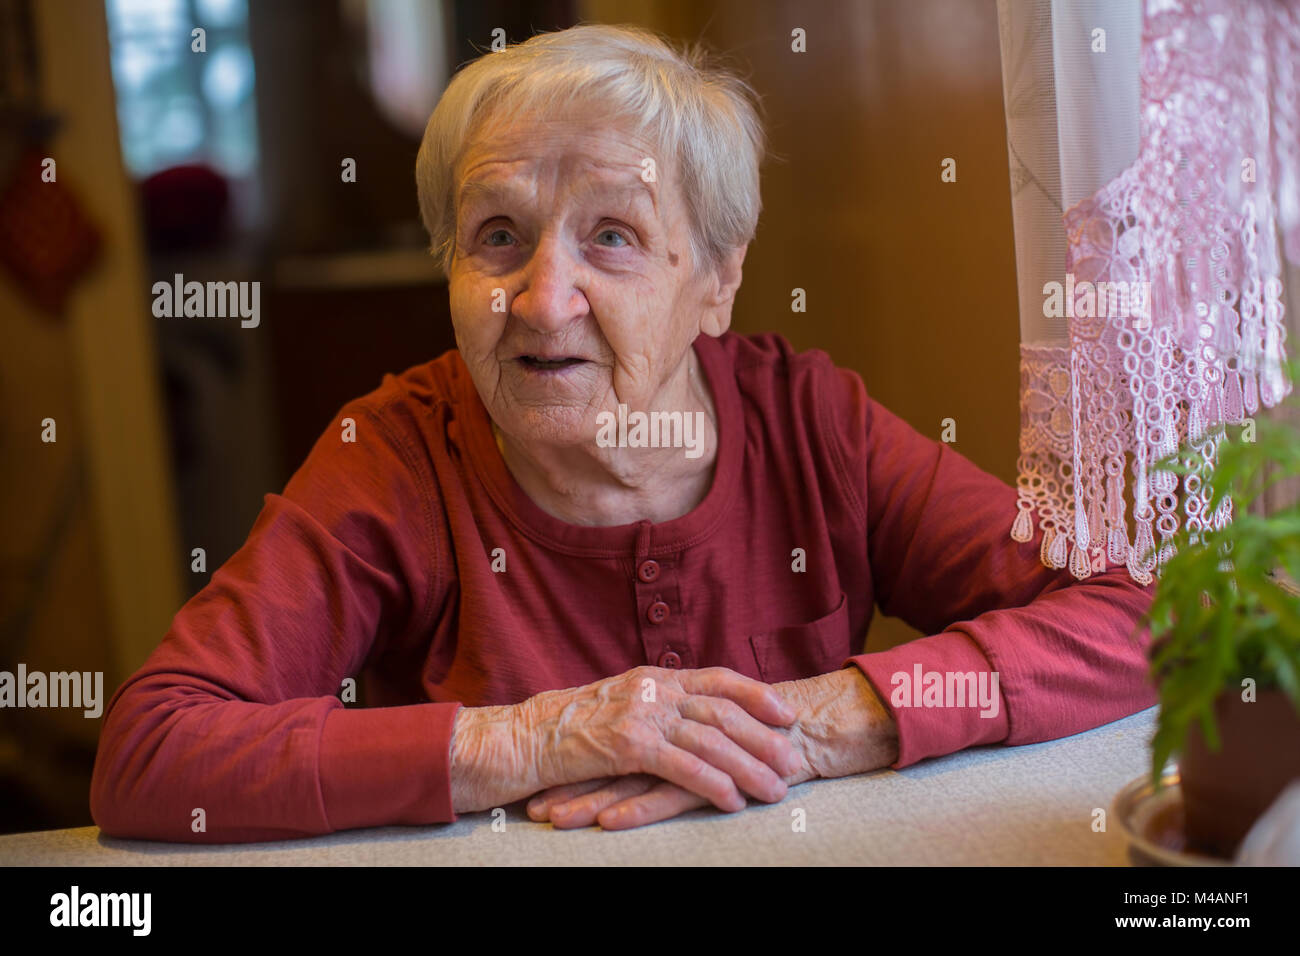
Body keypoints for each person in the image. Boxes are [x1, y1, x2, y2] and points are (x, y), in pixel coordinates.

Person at [90, 23, 1157, 843]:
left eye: (612, 236)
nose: (542, 299)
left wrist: (826, 719)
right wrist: (536, 737)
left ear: (717, 278)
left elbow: (1142, 611)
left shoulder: (809, 423)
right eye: (496, 236)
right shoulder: (398, 455)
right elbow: (154, 751)